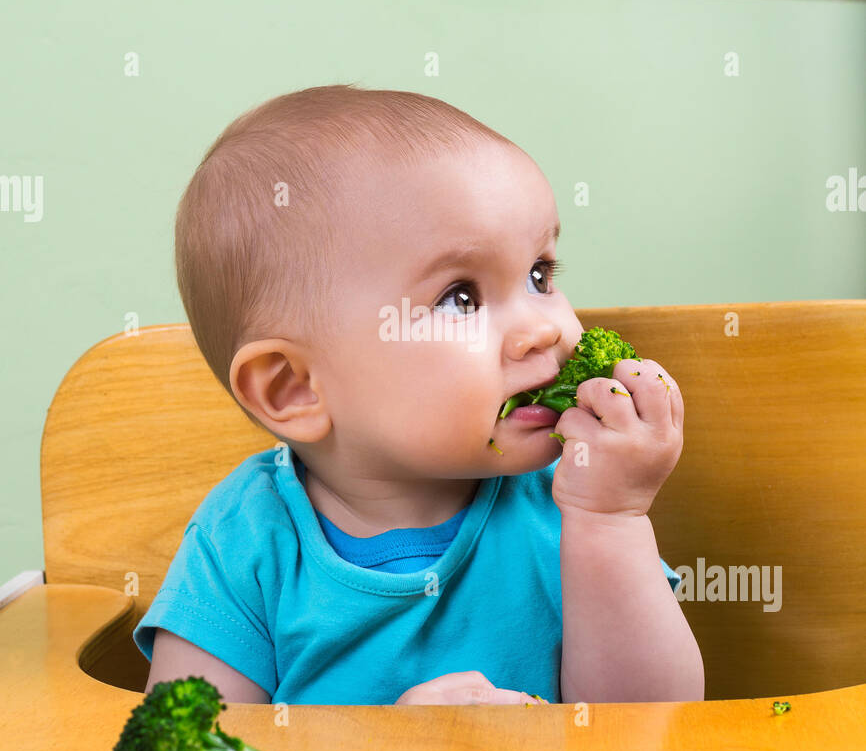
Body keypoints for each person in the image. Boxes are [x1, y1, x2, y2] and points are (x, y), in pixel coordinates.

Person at [134, 84, 702, 705]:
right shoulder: (244, 542)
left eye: (541, 274)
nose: (545, 328)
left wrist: (611, 521)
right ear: (294, 388)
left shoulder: (573, 501)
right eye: (461, 296)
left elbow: (652, 732)